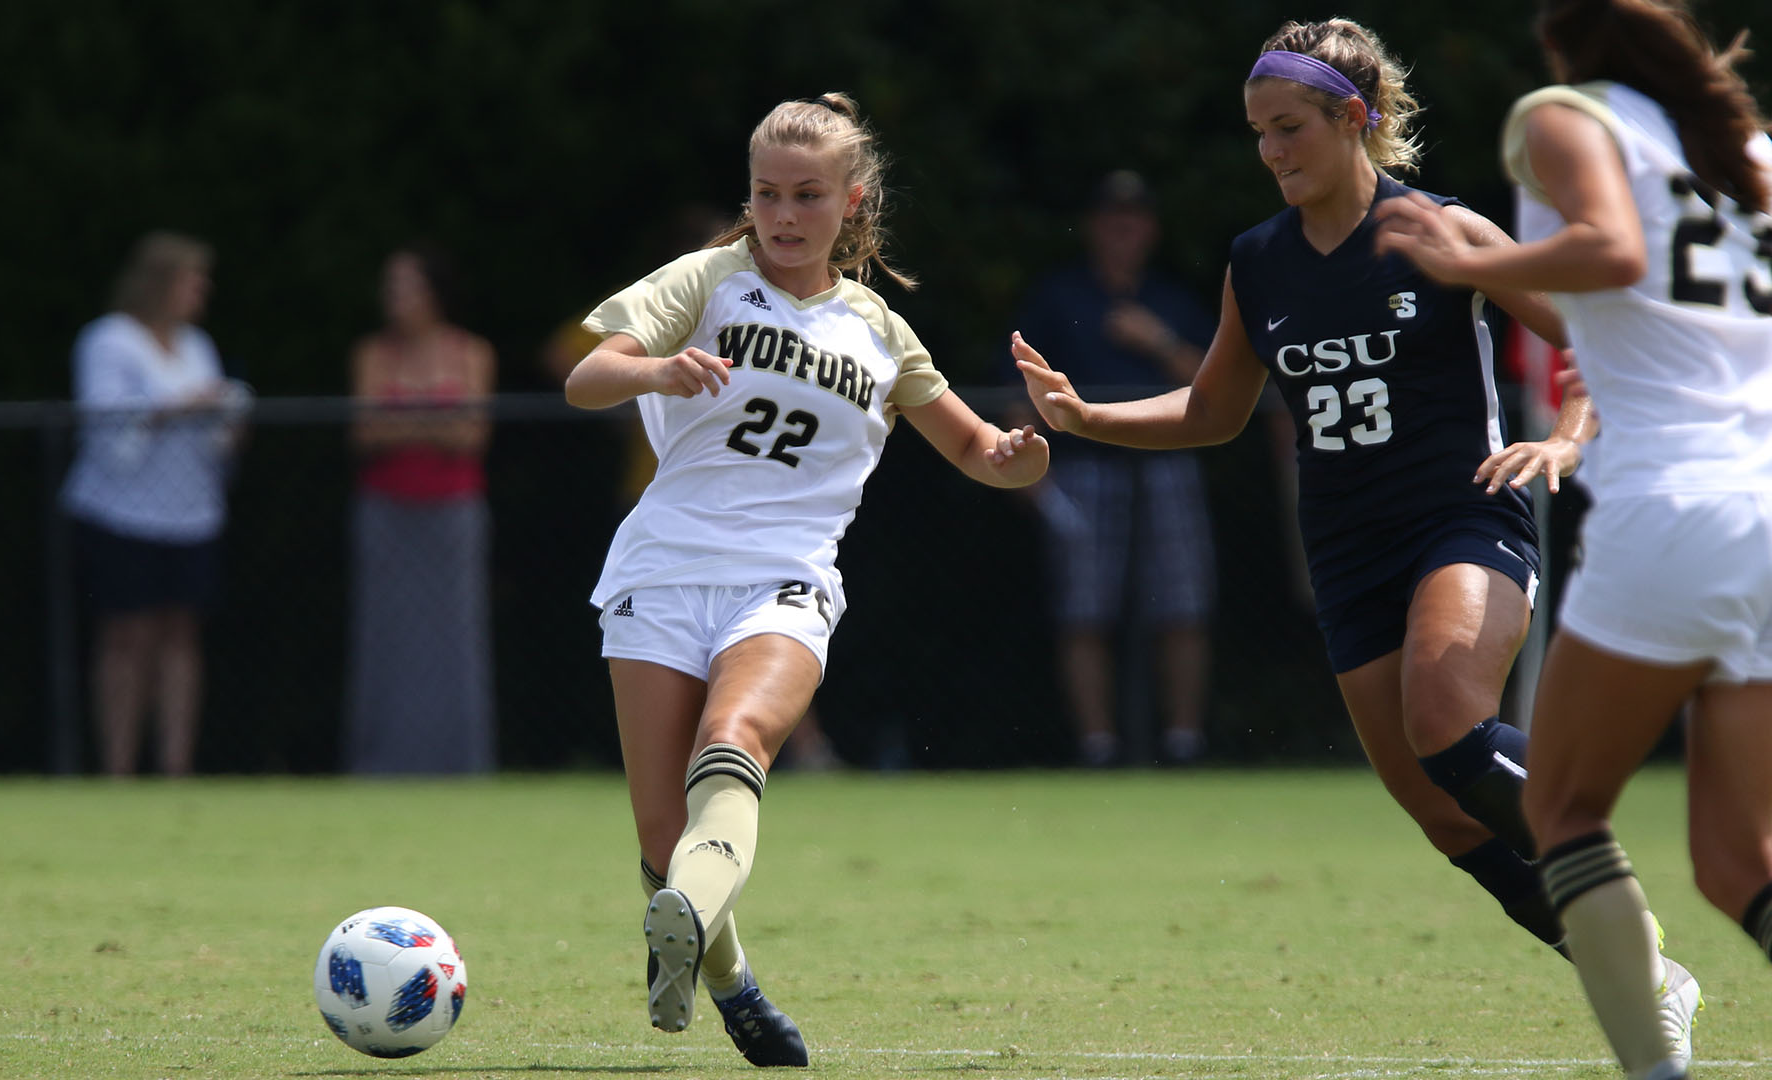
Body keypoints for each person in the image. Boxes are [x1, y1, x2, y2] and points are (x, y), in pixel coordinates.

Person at [1011, 17, 1698, 1065]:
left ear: (1354, 120)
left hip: (1463, 517)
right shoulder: (1259, 262)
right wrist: (1085, 416)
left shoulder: (1438, 229)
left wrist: (1564, 436)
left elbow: (1593, 343)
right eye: (1258, 132)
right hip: (1345, 550)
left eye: (1289, 127)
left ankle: (1629, 924)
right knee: (1444, 812)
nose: (1270, 150)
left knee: (1447, 721)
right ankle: (1643, 976)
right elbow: (1213, 411)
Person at [565, 92, 1047, 1067]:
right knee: (664, 837)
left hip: (783, 579)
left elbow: (976, 449)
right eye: (767, 194)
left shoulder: (879, 330)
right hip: (662, 568)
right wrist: (654, 372)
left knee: (734, 737)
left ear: (851, 202)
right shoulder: (708, 280)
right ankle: (729, 982)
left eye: (808, 195)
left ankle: (684, 918)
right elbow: (587, 378)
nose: (783, 215)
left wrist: (1021, 452)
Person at [1374, 3, 1771, 1077]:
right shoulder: (1744, 151)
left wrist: (1468, 262)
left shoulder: (1563, 116)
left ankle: (1655, 1068)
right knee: (1738, 864)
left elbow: (1613, 246)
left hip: (1675, 511)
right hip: (1764, 510)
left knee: (1555, 805)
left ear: (1559, 36)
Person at [1010, 169, 1217, 766]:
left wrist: (1157, 340)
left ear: (1151, 229)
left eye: (1135, 218)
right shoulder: (1058, 297)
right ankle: (1097, 746)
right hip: (1083, 470)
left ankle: (1184, 744)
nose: (1123, 229)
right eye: (1111, 218)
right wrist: (1028, 470)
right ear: (1093, 227)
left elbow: (1218, 388)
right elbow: (1018, 387)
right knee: (1084, 611)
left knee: (1183, 604)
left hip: (1167, 464)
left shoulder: (1173, 299)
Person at [62, 231, 247, 777]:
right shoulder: (109, 341)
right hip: (123, 514)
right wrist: (180, 407)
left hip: (190, 513)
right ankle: (118, 768)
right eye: (193, 281)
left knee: (180, 636)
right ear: (160, 282)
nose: (201, 293)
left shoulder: (197, 345)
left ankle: (175, 767)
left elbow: (215, 432)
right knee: (127, 636)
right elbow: (107, 422)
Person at [345, 246, 497, 774]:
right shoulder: (372, 353)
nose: (393, 297)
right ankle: (381, 763)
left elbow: (471, 436)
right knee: (385, 639)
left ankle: (458, 763)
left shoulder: (470, 352)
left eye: (405, 286)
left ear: (433, 292)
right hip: (386, 514)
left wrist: (402, 417)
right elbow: (366, 433)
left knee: (454, 641)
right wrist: (437, 417)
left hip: (452, 518)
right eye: (390, 286)